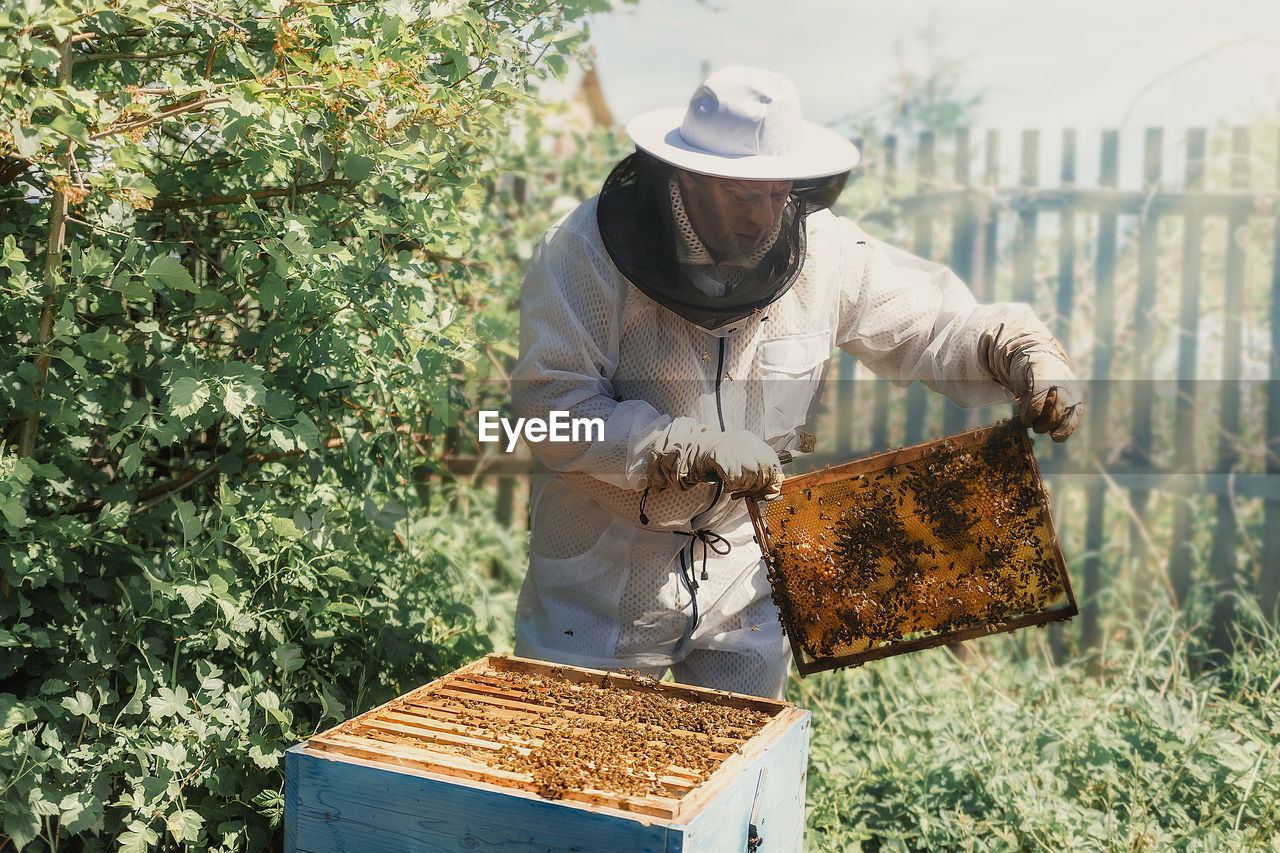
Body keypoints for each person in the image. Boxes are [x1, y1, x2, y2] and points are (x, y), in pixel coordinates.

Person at [508, 66, 1082, 699]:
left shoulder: (826, 251)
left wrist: (1020, 348)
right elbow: (547, 413)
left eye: (779, 193)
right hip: (601, 568)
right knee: (572, 776)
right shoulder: (584, 250)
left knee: (743, 777)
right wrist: (673, 445)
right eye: (742, 195)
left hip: (744, 568)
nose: (765, 215)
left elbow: (933, 325)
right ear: (688, 176)